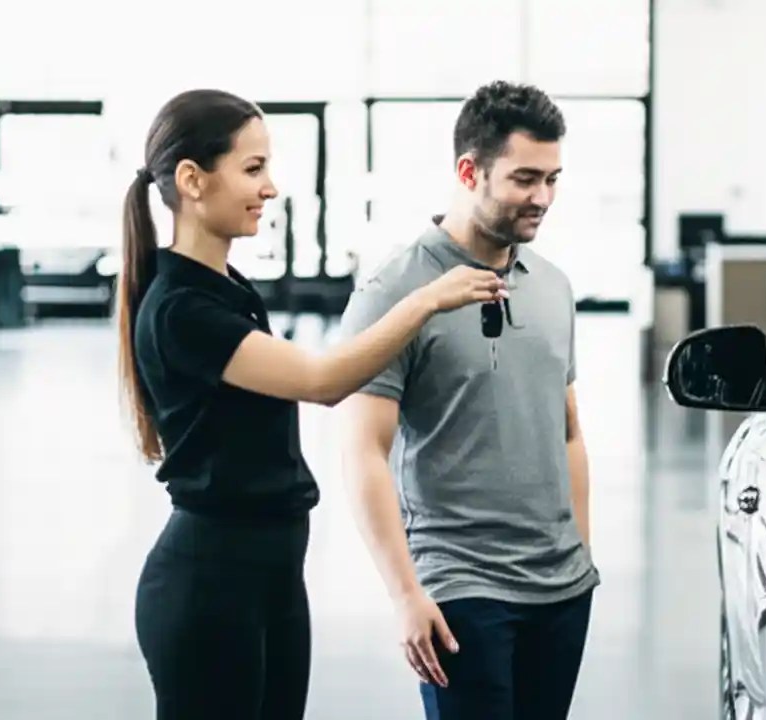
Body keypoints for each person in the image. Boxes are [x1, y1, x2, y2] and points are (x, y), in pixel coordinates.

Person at [117, 88, 506, 720]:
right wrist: (427, 299)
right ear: (191, 179)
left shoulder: (229, 289)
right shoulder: (182, 309)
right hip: (211, 584)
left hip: (270, 575)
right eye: (252, 168)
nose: (270, 188)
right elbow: (323, 381)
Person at [337, 80, 599, 720]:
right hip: (461, 586)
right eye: (524, 179)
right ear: (468, 171)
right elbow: (363, 452)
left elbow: (566, 430)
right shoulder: (394, 290)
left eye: (553, 179)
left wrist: (582, 555)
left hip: (561, 589)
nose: (543, 199)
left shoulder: (553, 287)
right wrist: (405, 593)